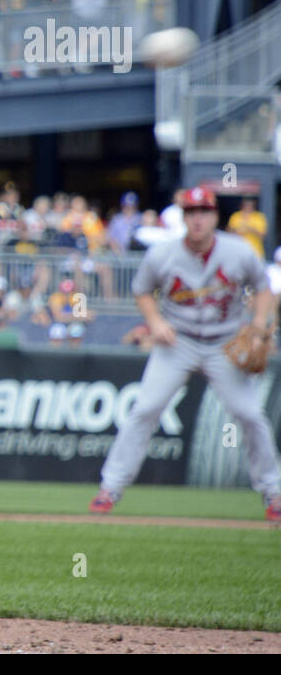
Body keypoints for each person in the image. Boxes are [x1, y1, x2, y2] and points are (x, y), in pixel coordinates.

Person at [89, 187, 281, 521]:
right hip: (179, 342)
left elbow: (263, 287)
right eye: (191, 212)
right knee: (145, 408)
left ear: (214, 216)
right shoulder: (162, 255)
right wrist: (154, 321)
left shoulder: (238, 251)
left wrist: (261, 324)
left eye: (203, 211)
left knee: (250, 415)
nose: (197, 218)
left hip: (225, 343)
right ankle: (110, 488)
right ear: (184, 217)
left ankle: (274, 493)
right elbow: (141, 290)